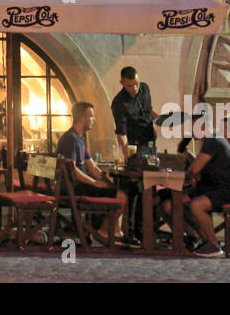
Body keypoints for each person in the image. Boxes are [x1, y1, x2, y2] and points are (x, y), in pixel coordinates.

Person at [161, 115, 230, 258]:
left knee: (196, 205)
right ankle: (198, 237)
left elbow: (194, 170)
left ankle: (213, 244)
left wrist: (179, 173)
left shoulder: (213, 140)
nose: (191, 130)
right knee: (169, 204)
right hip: (216, 188)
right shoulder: (210, 141)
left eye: (193, 127)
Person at [55, 101, 128, 243]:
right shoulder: (70, 139)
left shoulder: (80, 138)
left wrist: (106, 182)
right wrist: (95, 183)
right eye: (92, 116)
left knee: (117, 191)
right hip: (72, 188)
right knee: (121, 197)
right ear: (83, 118)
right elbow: (73, 170)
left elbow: (92, 167)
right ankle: (102, 232)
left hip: (79, 185)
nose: (94, 120)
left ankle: (111, 231)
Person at [112, 66, 157, 159]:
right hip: (136, 145)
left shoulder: (144, 88)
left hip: (150, 140)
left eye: (137, 84)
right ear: (122, 83)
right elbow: (121, 134)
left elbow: (148, 111)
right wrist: (127, 156)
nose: (135, 88)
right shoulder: (119, 103)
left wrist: (162, 119)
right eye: (130, 86)